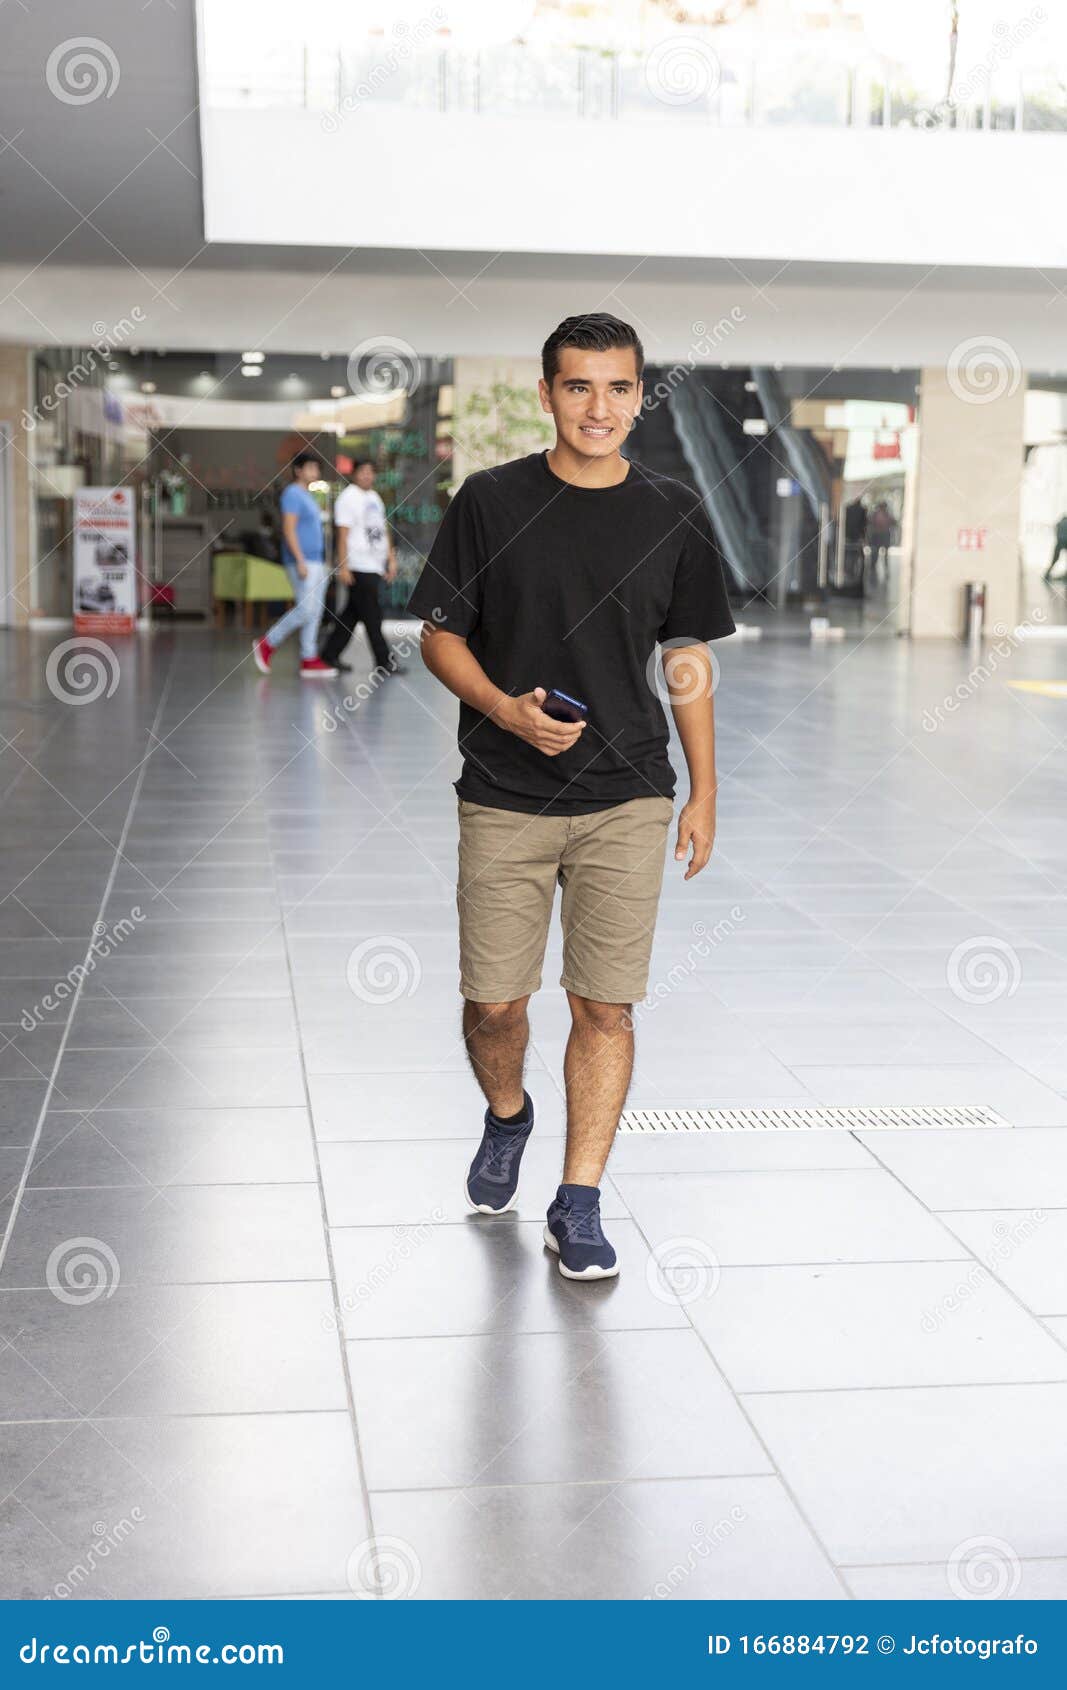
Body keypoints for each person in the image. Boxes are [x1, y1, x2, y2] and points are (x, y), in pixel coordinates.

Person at [405, 312, 735, 1281]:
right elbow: (436, 634)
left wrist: (703, 790)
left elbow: (685, 661)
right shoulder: (489, 501)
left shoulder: (671, 513)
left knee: (606, 1007)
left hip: (626, 792)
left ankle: (577, 1198)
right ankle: (508, 1112)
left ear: (640, 396)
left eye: (618, 388)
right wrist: (503, 710)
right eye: (578, 386)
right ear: (546, 393)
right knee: (494, 1005)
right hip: (504, 793)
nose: (599, 407)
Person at [252, 453, 337, 678]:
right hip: (303, 560)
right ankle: (267, 643)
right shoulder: (292, 494)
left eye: (316, 468)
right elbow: (289, 529)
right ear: (298, 470)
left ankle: (309, 658)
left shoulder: (309, 496)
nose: (314, 472)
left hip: (317, 560)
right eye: (309, 467)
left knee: (315, 611)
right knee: (306, 608)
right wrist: (299, 559)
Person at [320, 460, 407, 676]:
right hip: (358, 564)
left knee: (352, 613)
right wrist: (343, 565)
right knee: (372, 614)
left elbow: (383, 529)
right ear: (354, 474)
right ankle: (384, 661)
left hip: (375, 565)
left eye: (371, 472)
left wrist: (391, 559)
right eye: (363, 472)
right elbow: (342, 534)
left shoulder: (375, 498)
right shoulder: (348, 498)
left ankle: (329, 654)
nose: (368, 476)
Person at [868, 499, 894, 584]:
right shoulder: (875, 514)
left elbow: (892, 522)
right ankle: (873, 569)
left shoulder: (887, 514)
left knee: (885, 555)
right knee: (875, 554)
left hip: (884, 535)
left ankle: (885, 570)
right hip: (877, 536)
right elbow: (871, 523)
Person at [1043, 513, 1067, 582]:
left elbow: (1055, 529)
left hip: (1059, 542)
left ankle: (1047, 574)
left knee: (1054, 559)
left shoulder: (1059, 523)